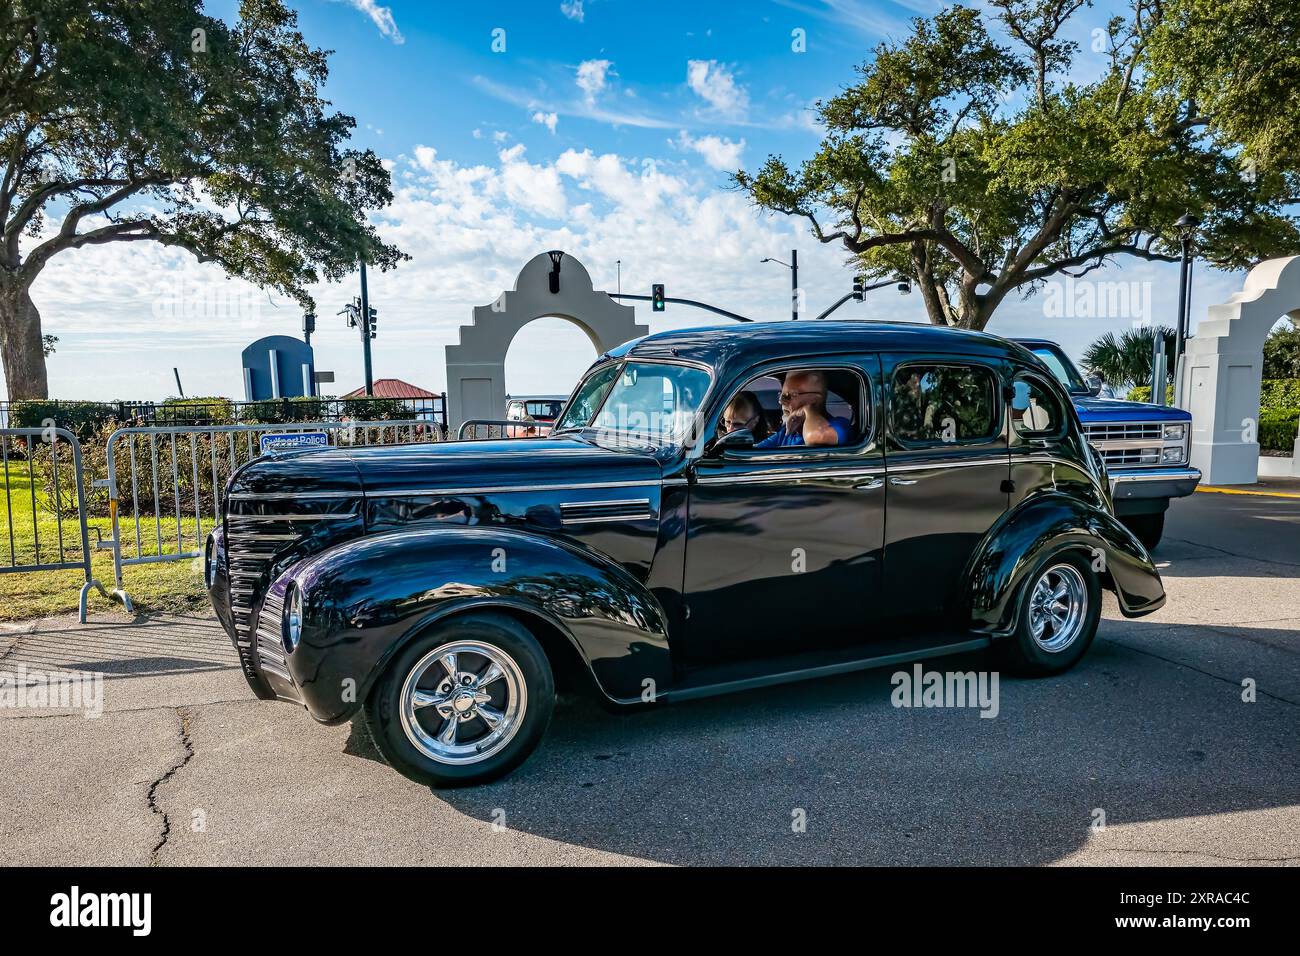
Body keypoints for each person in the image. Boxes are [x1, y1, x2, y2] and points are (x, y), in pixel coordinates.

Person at [755, 370, 851, 448]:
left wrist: (808, 410)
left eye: (788, 396)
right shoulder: (786, 433)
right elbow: (755, 453)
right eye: (781, 396)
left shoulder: (839, 425)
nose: (781, 401)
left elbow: (818, 435)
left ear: (814, 399)